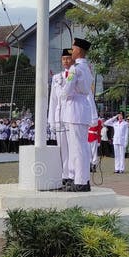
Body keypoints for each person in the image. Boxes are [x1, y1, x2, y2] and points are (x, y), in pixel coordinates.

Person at [60, 38, 96, 192]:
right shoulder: (86, 68)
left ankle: (80, 181)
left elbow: (67, 89)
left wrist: (62, 95)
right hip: (82, 108)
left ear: (79, 51)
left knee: (77, 148)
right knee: (81, 147)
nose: (72, 51)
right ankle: (83, 179)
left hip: (74, 109)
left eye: (73, 49)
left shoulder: (75, 69)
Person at [48, 48, 73, 187]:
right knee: (61, 146)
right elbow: (53, 100)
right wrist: (51, 120)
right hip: (59, 115)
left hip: (71, 115)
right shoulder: (56, 78)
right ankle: (64, 174)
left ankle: (72, 174)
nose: (66, 61)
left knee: (71, 146)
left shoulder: (75, 74)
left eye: (68, 58)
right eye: (64, 59)